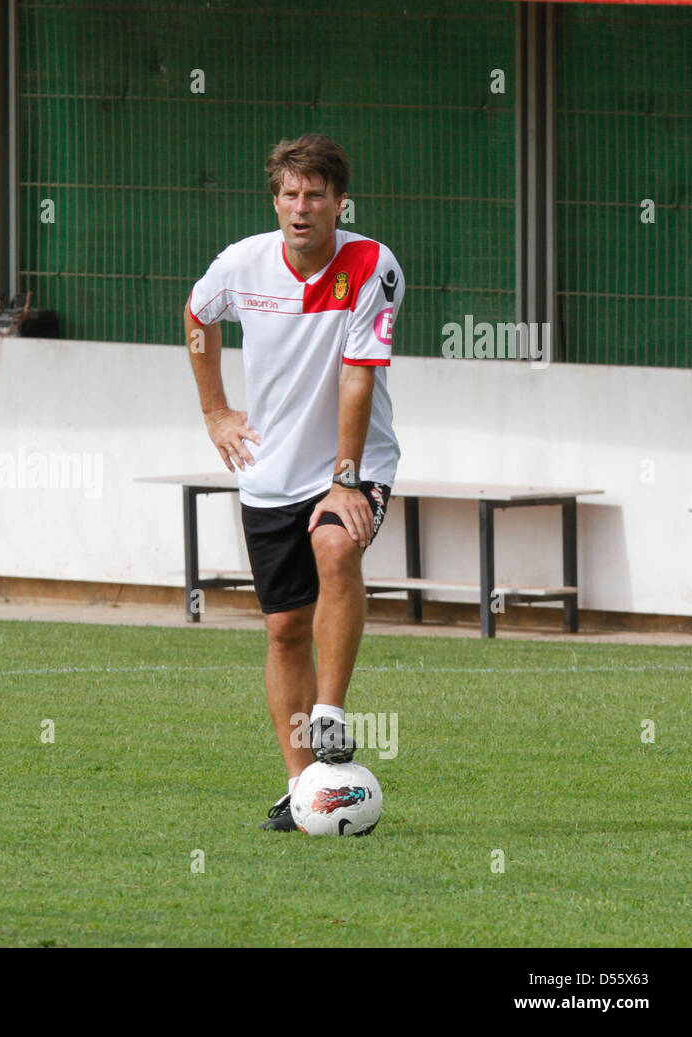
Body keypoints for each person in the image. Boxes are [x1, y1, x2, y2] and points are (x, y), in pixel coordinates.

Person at [183, 133, 404, 832]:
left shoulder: (371, 264)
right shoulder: (241, 265)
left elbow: (358, 374)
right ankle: (303, 784)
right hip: (270, 472)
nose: (300, 208)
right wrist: (216, 412)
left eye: (314, 195)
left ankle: (333, 716)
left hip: (355, 461)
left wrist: (345, 480)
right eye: (288, 194)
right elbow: (197, 317)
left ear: (341, 203)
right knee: (283, 631)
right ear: (275, 200)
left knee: (336, 549)